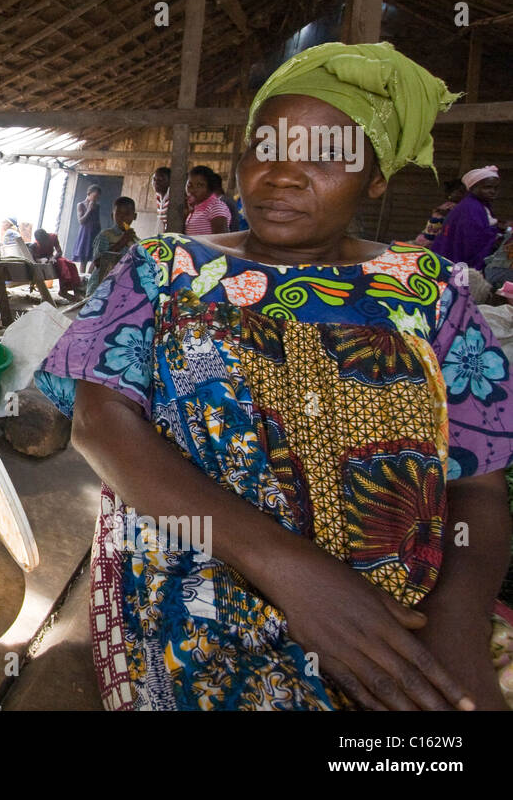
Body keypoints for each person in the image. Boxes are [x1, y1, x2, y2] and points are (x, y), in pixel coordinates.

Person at [44, 42, 512, 711]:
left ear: (376, 179)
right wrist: (297, 576)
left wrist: (456, 637)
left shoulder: (431, 296)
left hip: (400, 612)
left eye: (326, 157)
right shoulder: (167, 269)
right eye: (266, 148)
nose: (284, 175)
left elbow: (480, 488)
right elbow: (98, 424)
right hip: (204, 576)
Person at [432, 166, 503, 271]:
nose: (492, 191)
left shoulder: (479, 206)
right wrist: (497, 238)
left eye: (495, 188)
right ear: (473, 188)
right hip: (460, 264)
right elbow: (472, 242)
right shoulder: (471, 209)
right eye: (487, 187)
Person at [84, 196, 137, 298]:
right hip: (100, 287)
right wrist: (122, 242)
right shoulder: (105, 235)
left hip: (121, 289)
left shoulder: (136, 240)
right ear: (112, 215)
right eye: (118, 214)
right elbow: (97, 262)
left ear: (134, 216)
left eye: (127, 214)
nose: (122, 218)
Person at [30, 229, 82, 300]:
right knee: (62, 266)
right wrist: (40, 260)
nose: (42, 243)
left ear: (46, 237)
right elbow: (34, 259)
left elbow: (59, 252)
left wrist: (53, 258)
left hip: (53, 258)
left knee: (70, 264)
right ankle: (63, 291)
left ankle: (77, 292)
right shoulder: (35, 245)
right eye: (40, 242)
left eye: (43, 241)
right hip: (43, 261)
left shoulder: (52, 237)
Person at [415, 179, 466, 247]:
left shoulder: (458, 206)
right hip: (436, 235)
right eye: (460, 192)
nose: (464, 195)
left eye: (465, 192)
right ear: (450, 193)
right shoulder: (450, 206)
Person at [184, 164, 231, 235]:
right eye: (189, 185)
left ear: (210, 187)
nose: (193, 190)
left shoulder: (216, 207)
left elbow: (222, 239)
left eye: (200, 185)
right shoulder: (195, 208)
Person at [71, 184, 101, 267]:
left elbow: (98, 221)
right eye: (94, 196)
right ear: (89, 194)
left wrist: (100, 234)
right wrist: (89, 209)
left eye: (98, 197)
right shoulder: (81, 205)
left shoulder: (97, 206)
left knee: (95, 257)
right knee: (83, 259)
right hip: (85, 234)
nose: (96, 199)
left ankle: (89, 277)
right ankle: (82, 278)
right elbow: (81, 221)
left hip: (94, 233)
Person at [152, 166, 171, 233]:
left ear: (170, 182)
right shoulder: (159, 197)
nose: (156, 182)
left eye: (160, 180)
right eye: (154, 179)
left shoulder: (171, 198)